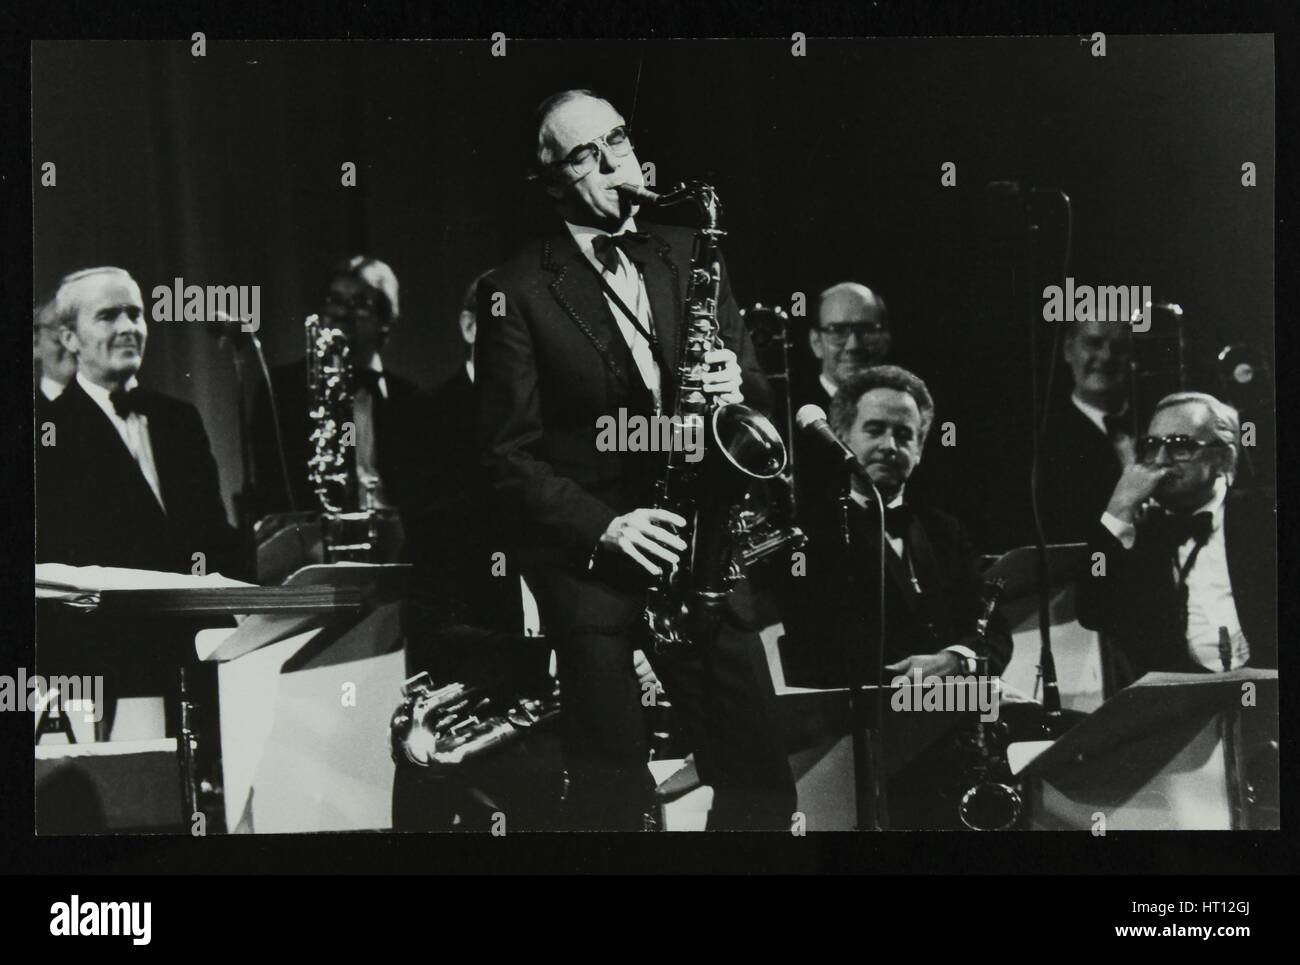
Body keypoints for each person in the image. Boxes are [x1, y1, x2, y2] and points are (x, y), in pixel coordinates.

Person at [475, 88, 795, 830]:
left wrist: (732, 387)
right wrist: (608, 528)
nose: (614, 162)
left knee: (764, 790)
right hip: (597, 577)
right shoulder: (515, 290)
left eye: (616, 140)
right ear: (553, 181)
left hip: (702, 559)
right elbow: (505, 459)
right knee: (611, 805)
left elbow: (753, 399)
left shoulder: (688, 253)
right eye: (586, 154)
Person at [37, 267, 239, 576]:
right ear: (70, 338)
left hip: (201, 617)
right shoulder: (49, 429)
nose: (127, 328)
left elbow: (212, 533)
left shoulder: (180, 418)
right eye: (107, 316)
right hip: (110, 620)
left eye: (134, 314)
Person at [1077, 392, 1275, 679]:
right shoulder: (1144, 535)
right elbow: (1091, 610)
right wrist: (1118, 509)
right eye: (1151, 445)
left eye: (1181, 446)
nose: (1161, 460)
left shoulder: (1265, 516)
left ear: (1224, 457)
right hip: (1181, 708)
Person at [250, 255, 437, 528]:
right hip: (317, 545)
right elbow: (274, 491)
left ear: (385, 320)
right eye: (334, 301)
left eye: (359, 304)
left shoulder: (411, 398)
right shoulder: (281, 391)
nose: (341, 313)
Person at [792, 283, 891, 536]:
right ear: (816, 341)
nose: (853, 345)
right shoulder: (787, 414)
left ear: (885, 339)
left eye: (866, 329)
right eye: (837, 330)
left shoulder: (908, 414)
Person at [1036, 319, 1136, 544]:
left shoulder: (1157, 418)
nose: (1107, 357)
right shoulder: (1044, 440)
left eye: (1120, 347)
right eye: (1093, 343)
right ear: (1067, 350)